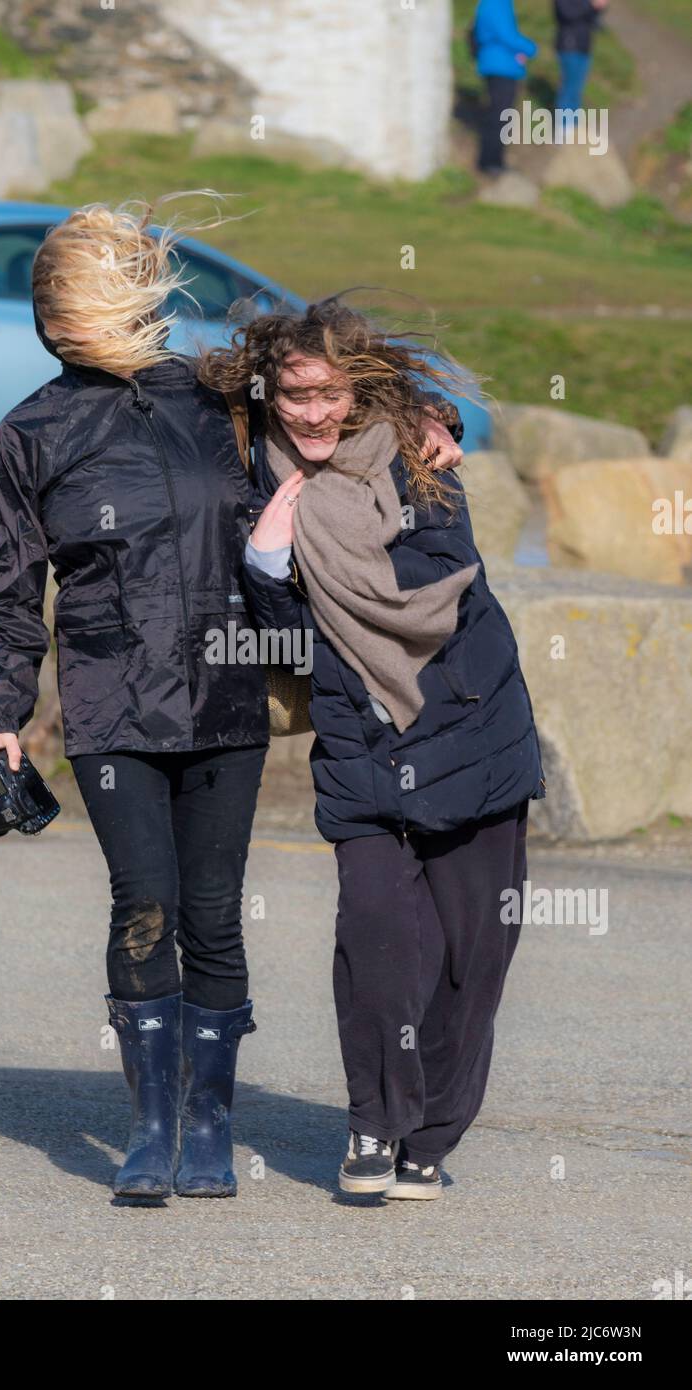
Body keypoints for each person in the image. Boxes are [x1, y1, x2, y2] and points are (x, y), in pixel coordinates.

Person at [0, 202, 463, 1202]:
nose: (59, 323)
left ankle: (208, 1124)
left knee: (213, 916)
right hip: (110, 705)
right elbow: (16, 592)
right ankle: (150, 1126)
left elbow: (328, 400)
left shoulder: (214, 400)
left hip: (229, 694)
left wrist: (423, 421)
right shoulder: (30, 434)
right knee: (142, 905)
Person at [199, 299, 546, 1199]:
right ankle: (372, 1128)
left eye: (330, 395)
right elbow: (294, 655)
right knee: (377, 945)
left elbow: (430, 593)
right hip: (362, 749)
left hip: (472, 730)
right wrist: (270, 568)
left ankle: (430, 1136)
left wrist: (438, 414)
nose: (311, 415)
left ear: (362, 391)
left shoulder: (420, 460)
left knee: (475, 959)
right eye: (293, 396)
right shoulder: (256, 475)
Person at [472, 0, 538, 174]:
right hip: (500, 66)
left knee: (502, 115)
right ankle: (490, 162)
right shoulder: (496, 3)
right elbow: (506, 34)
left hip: (501, 64)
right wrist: (529, 48)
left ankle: (495, 160)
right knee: (500, 116)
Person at [555, 0, 609, 135]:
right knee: (569, 88)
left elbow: (593, 20)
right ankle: (563, 130)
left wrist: (599, 7)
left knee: (577, 90)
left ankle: (573, 127)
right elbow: (567, 13)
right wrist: (591, 5)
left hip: (584, 46)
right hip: (569, 45)